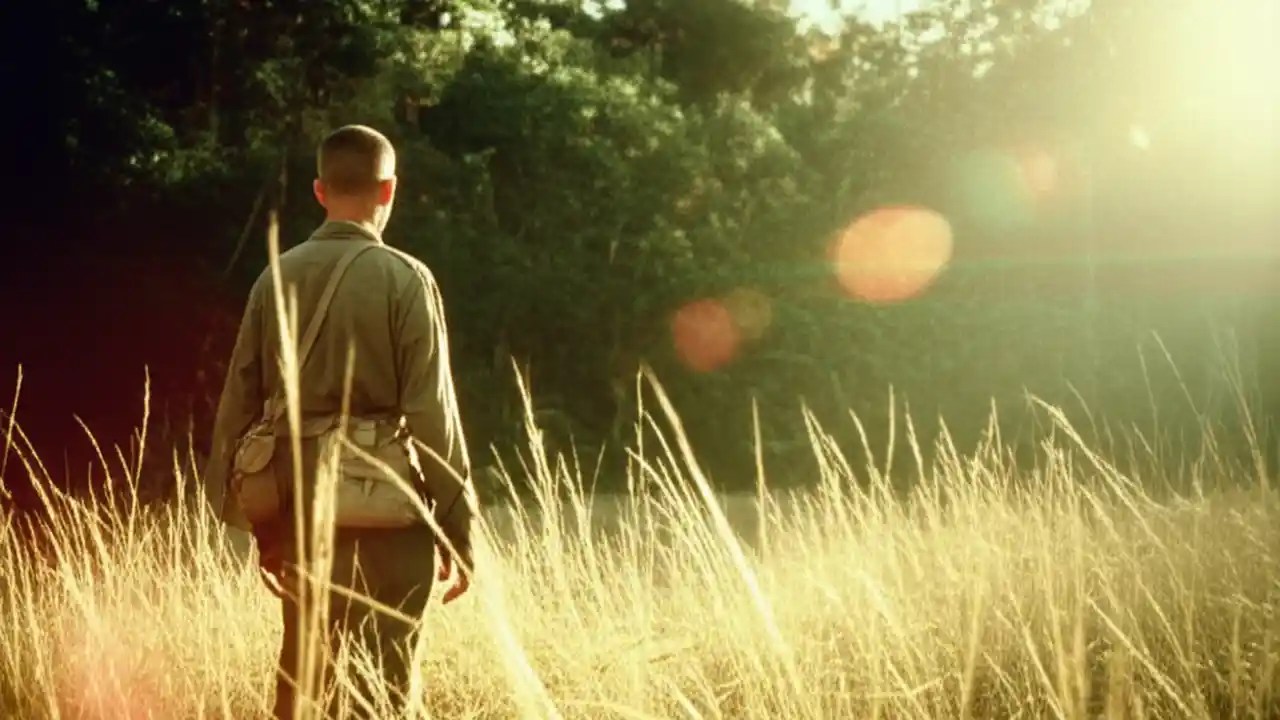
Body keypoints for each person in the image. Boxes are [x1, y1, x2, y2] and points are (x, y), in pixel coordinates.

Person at [204, 124, 474, 718]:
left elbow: (239, 406)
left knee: (305, 674)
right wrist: (458, 528)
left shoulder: (274, 278)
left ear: (320, 191)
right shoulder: (406, 279)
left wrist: (259, 524)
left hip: (299, 509)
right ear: (389, 190)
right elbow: (433, 413)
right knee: (387, 682)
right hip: (390, 511)